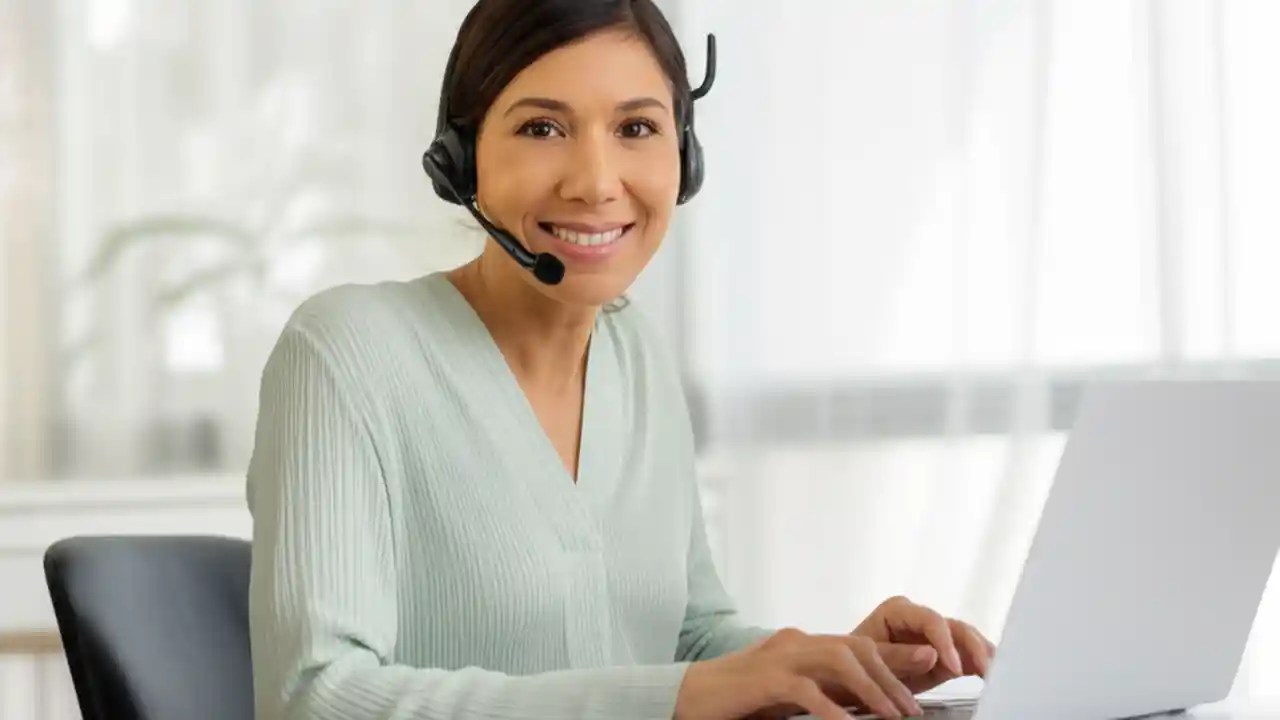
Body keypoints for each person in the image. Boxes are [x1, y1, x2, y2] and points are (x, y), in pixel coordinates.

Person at [245, 1, 995, 718]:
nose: (597, 183)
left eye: (637, 127)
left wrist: (832, 666)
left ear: (685, 158)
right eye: (542, 128)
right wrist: (679, 699)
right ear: (461, 161)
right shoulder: (347, 353)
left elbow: (686, 640)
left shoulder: (635, 355)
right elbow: (316, 697)